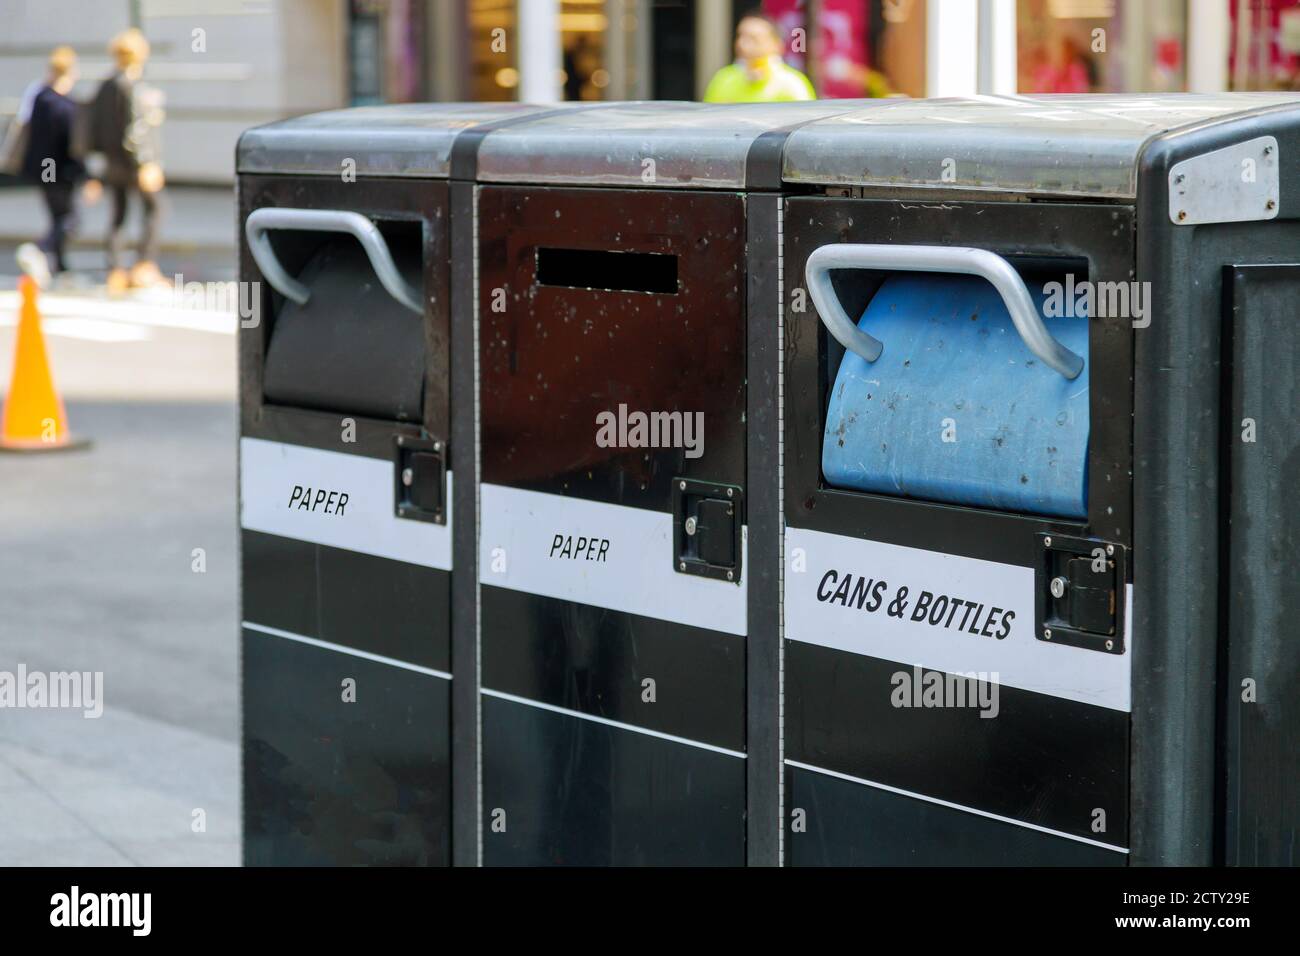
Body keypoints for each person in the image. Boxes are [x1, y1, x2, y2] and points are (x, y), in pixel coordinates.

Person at [80, 28, 167, 293]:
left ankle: (115, 270)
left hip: (113, 162)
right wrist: (146, 163)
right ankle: (144, 266)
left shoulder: (105, 85)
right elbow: (135, 130)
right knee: (155, 209)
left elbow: (94, 127)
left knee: (118, 215)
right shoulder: (132, 85)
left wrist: (97, 169)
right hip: (133, 163)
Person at [7, 47, 86, 286]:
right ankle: (39, 249)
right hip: (58, 169)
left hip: (43, 167)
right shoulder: (63, 105)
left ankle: (61, 269)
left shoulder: (39, 96)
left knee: (58, 216)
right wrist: (83, 174)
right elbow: (72, 144)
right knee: (69, 219)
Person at [703, 10, 815, 103]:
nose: (742, 44)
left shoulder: (792, 83)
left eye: (753, 38)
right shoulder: (723, 78)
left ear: (777, 44)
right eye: (740, 36)